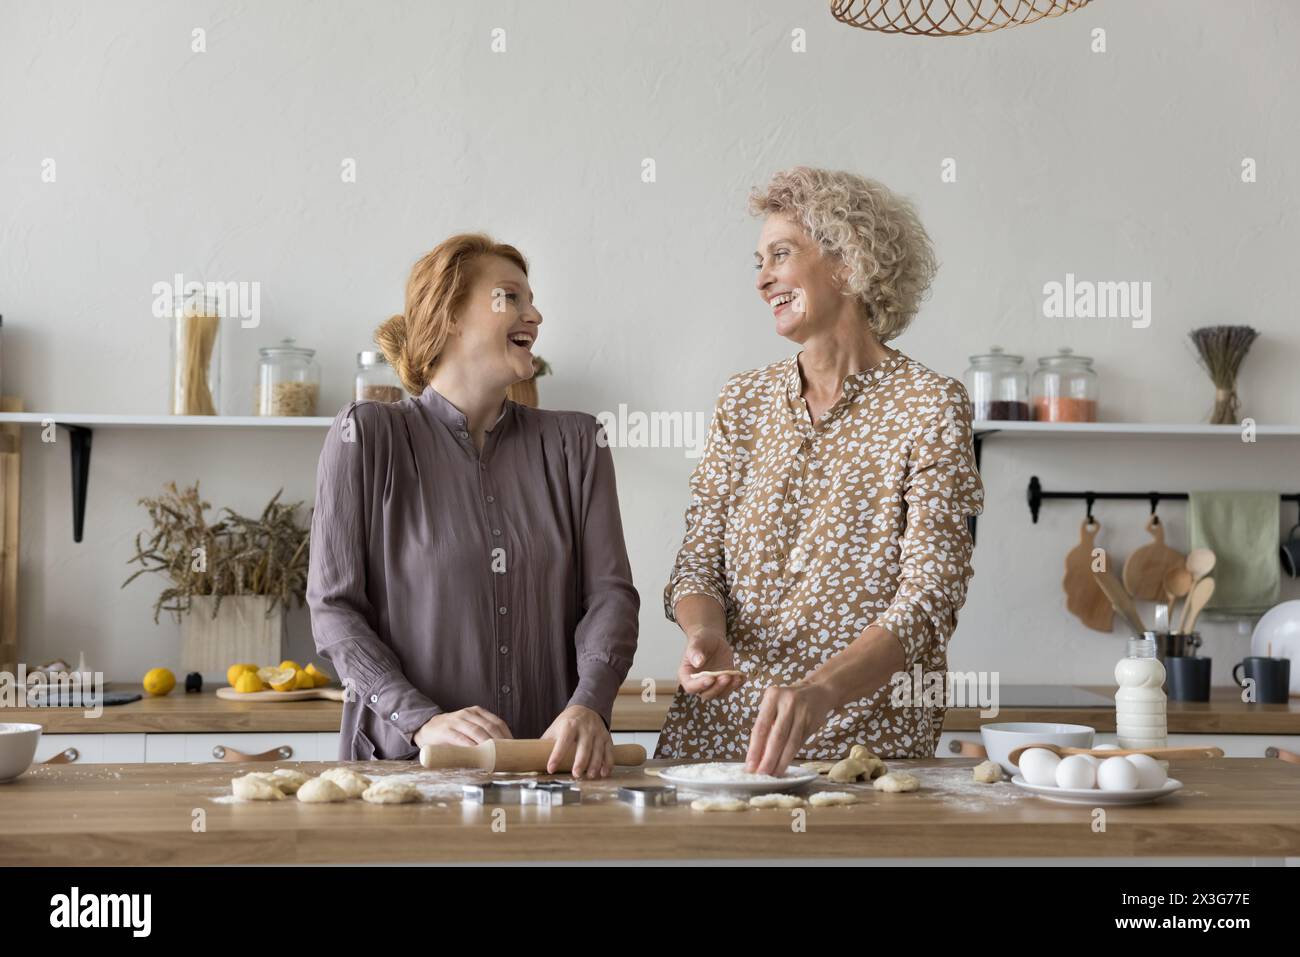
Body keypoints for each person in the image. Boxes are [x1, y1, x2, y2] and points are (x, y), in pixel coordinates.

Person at [656, 167, 984, 774]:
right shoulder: (744, 400)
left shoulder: (929, 404)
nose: (762, 279)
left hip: (862, 750)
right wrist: (704, 633)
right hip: (720, 743)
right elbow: (698, 559)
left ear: (847, 262)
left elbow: (932, 594)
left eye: (781, 254)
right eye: (758, 261)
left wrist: (823, 690)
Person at [307, 233, 640, 777]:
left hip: (546, 768)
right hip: (407, 770)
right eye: (511, 297)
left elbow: (610, 596)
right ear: (450, 315)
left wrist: (590, 706)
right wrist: (421, 720)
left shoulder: (578, 443)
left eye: (531, 300)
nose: (534, 313)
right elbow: (334, 608)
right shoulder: (367, 436)